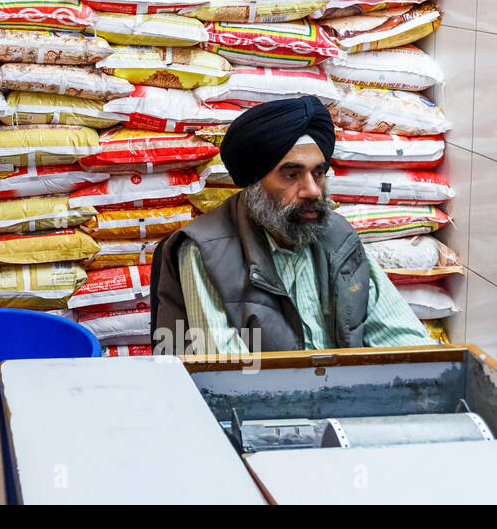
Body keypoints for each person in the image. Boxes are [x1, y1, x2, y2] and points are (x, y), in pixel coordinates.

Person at [151, 96, 435, 354]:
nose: (312, 190)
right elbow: (229, 374)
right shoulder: (205, 250)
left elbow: (402, 338)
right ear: (255, 183)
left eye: (319, 173)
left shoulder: (339, 235)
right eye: (291, 175)